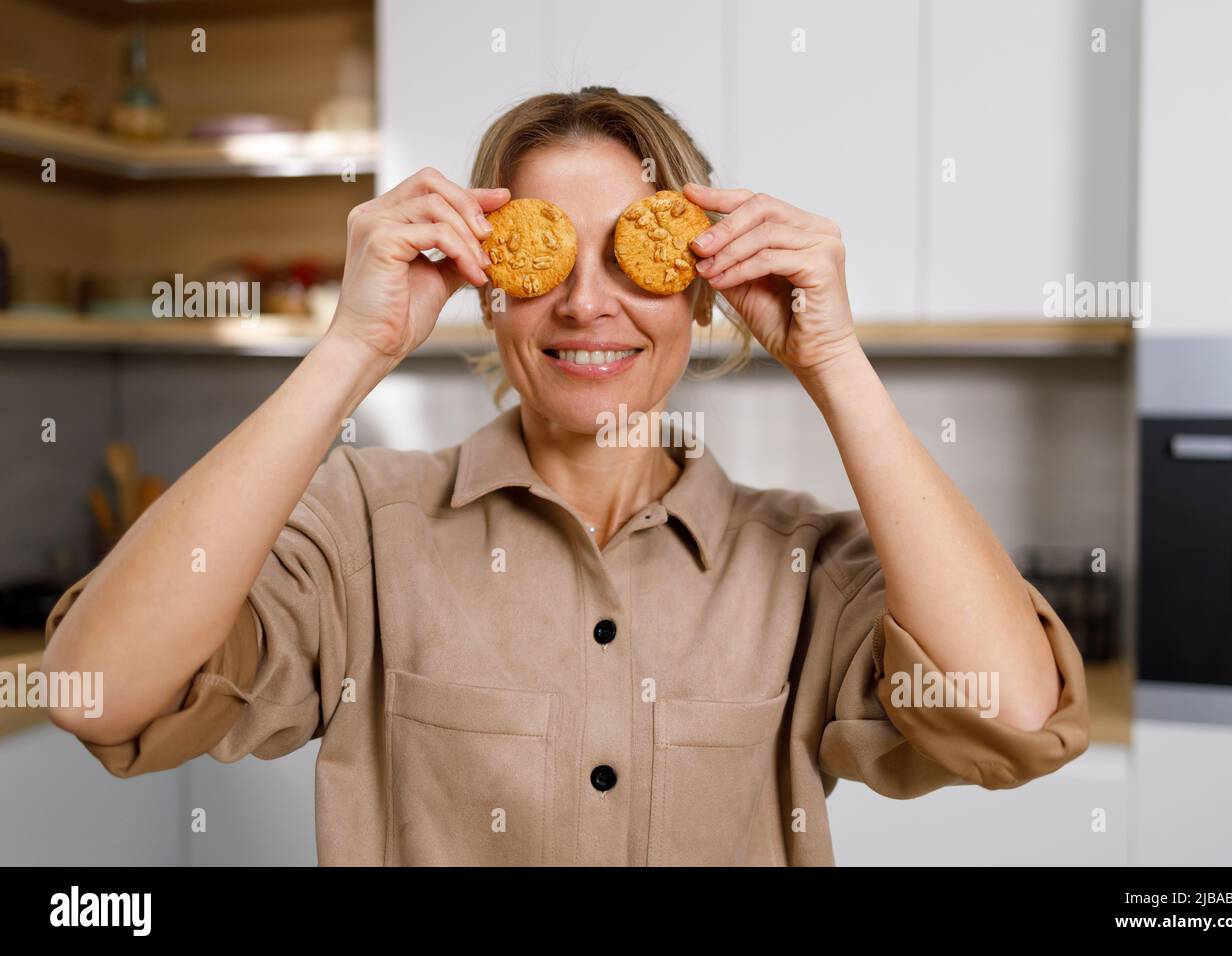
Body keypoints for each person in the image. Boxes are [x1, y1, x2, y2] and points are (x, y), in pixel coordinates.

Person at [42, 87, 1088, 866]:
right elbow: (101, 692)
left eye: (636, 259)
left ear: (703, 290)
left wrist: (835, 361)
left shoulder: (802, 565)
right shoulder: (363, 525)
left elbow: (1007, 708)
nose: (587, 304)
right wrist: (350, 346)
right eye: (544, 262)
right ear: (489, 293)